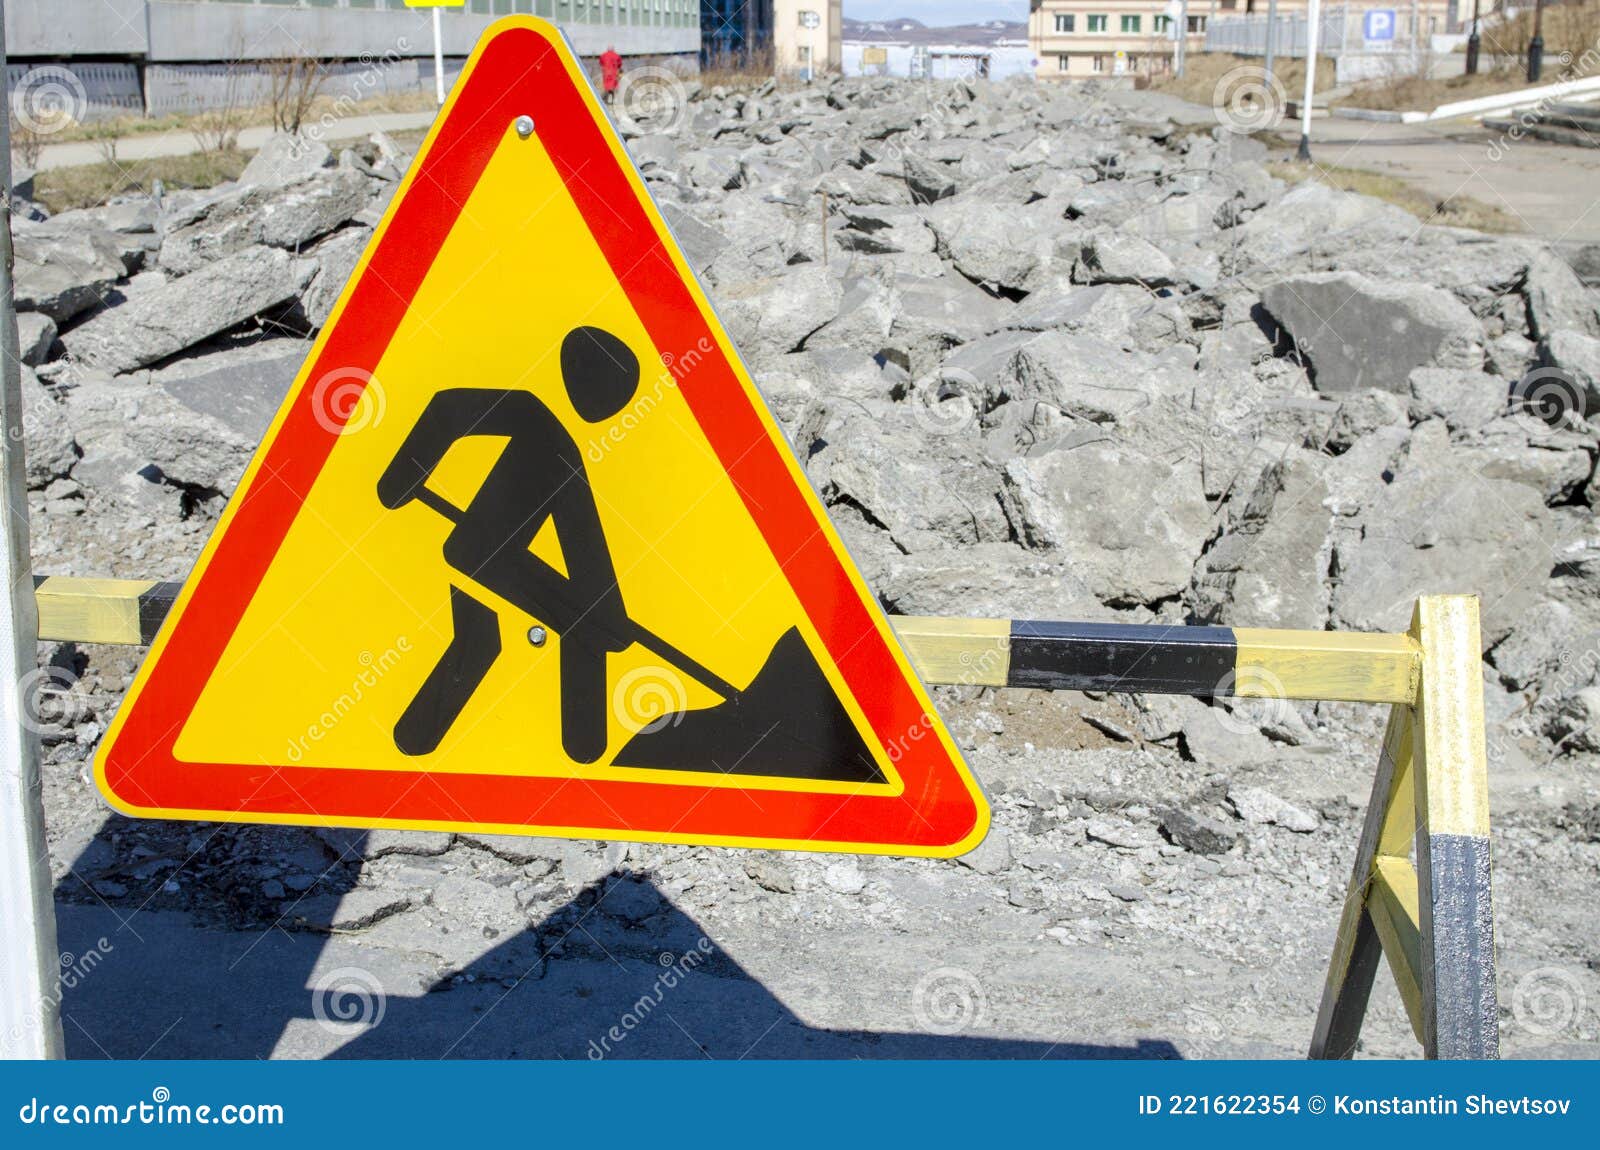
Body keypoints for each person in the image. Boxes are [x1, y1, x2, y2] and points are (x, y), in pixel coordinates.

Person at [377, 327, 641, 764]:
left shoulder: (564, 449)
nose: (609, 409)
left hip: (491, 555)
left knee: (492, 638)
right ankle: (584, 743)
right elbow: (448, 409)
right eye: (610, 393)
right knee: (552, 629)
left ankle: (583, 745)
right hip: (480, 551)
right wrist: (398, 482)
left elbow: (580, 533)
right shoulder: (533, 416)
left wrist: (605, 607)